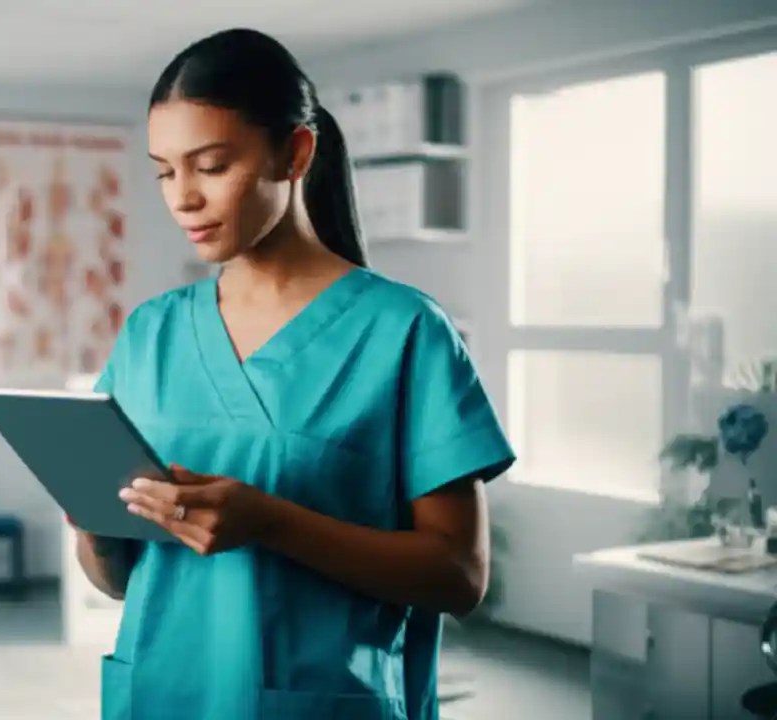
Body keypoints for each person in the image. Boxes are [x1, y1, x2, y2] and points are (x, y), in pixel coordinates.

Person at [73, 28, 516, 720]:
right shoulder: (148, 334)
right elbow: (122, 581)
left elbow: (459, 576)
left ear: (295, 153)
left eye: (211, 166)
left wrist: (271, 524)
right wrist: (95, 528)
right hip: (162, 696)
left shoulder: (403, 333)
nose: (182, 197)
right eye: (164, 171)